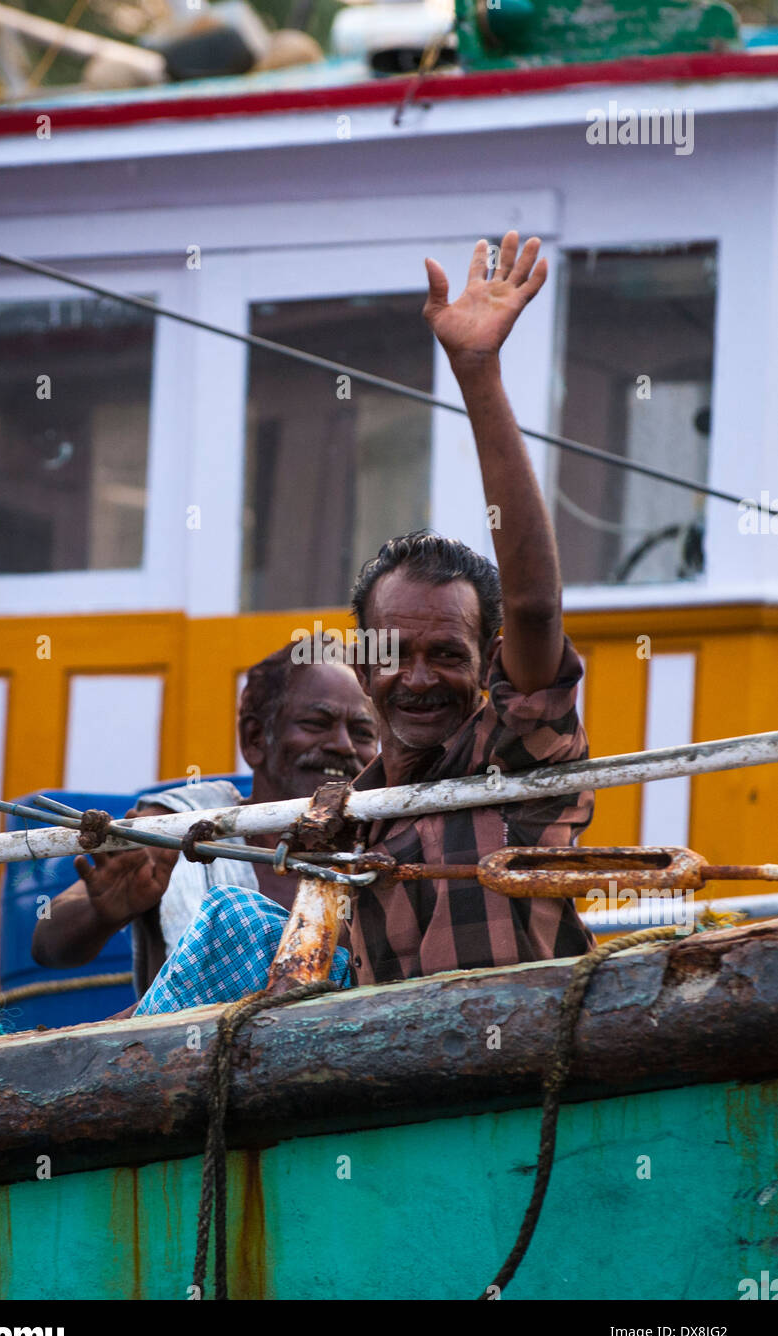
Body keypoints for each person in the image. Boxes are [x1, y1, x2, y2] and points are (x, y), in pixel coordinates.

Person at [132, 229, 595, 1013]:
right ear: (366, 660)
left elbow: (534, 604)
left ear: (488, 663)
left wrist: (475, 373)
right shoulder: (348, 816)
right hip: (398, 1099)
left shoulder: (513, 757)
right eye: (396, 653)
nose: (417, 679)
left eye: (446, 653)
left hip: (522, 1069)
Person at [31, 640, 379, 1003]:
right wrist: (102, 911)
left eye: (362, 732)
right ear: (254, 738)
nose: (344, 745)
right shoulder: (180, 821)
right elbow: (47, 945)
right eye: (317, 723)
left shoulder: (383, 842)